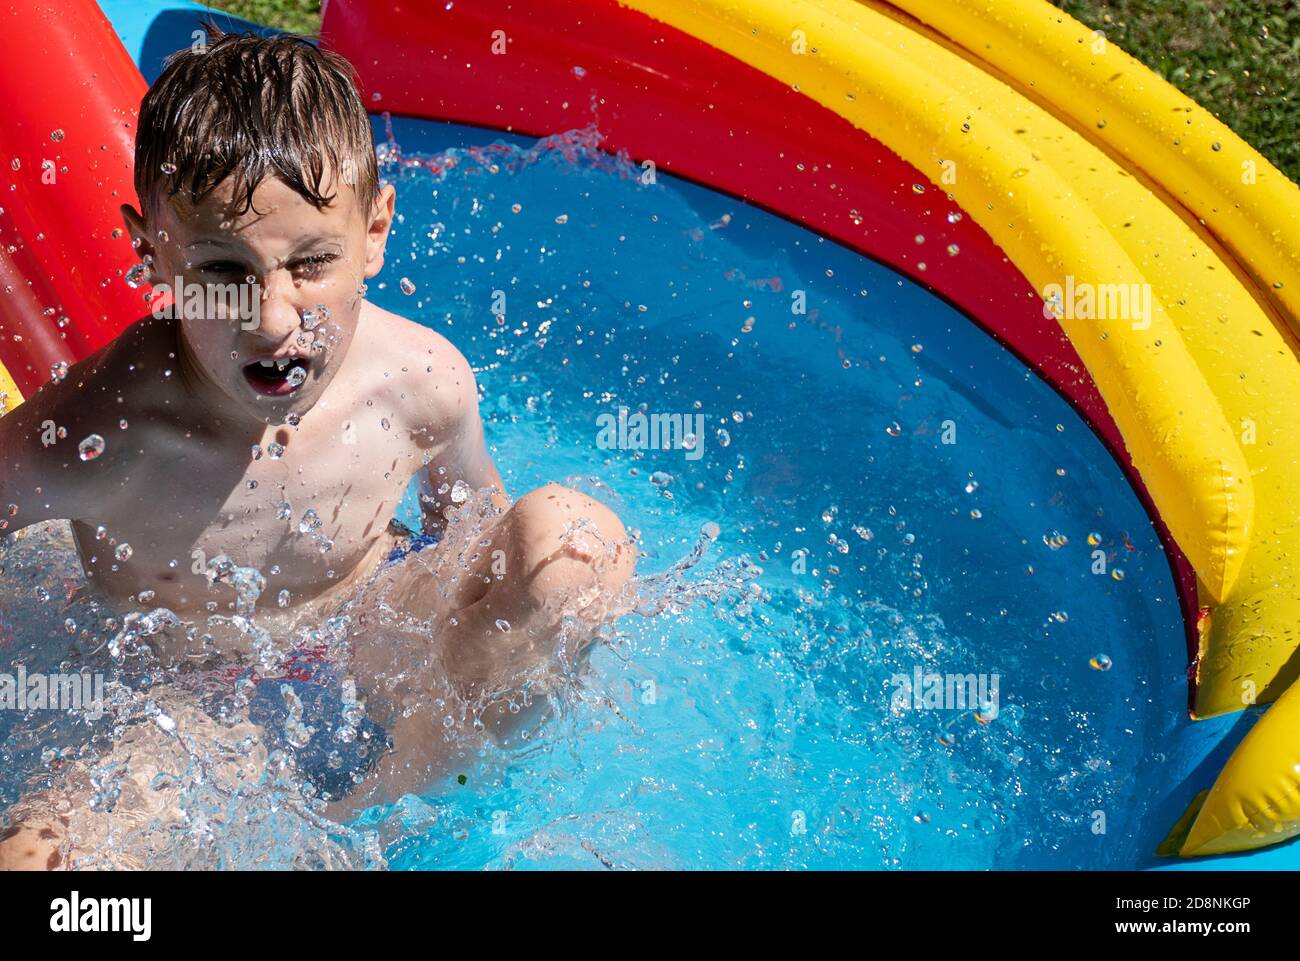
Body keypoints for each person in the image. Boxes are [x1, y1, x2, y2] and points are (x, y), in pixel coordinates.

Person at [0, 24, 634, 870]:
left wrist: (475, 655)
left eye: (311, 262)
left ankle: (403, 796)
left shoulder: (421, 381)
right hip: (177, 715)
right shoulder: (98, 435)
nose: (271, 319)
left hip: (368, 648)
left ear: (374, 231)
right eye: (224, 272)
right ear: (151, 251)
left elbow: (471, 543)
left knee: (574, 547)